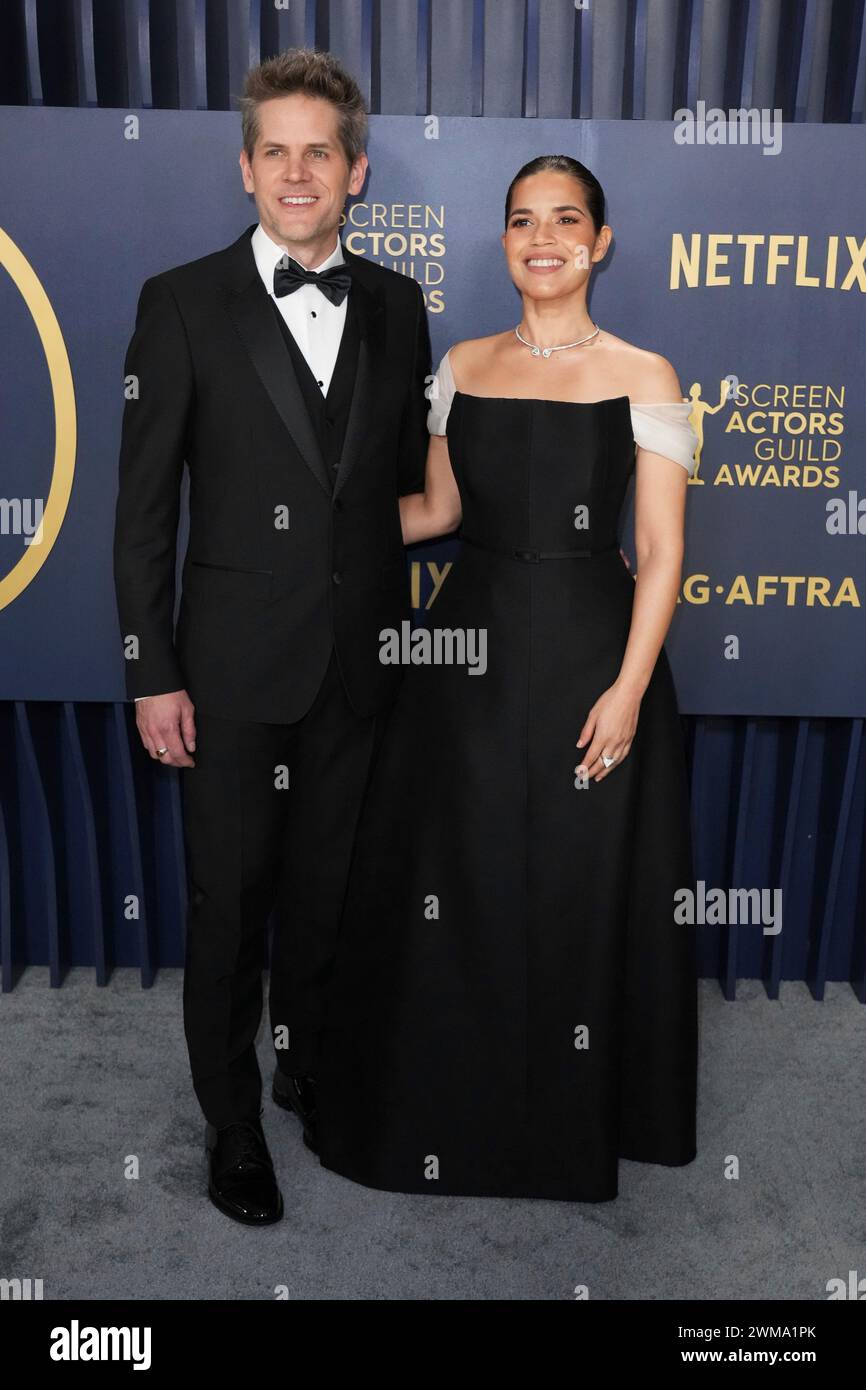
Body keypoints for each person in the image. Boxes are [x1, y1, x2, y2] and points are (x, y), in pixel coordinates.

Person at [315, 155, 700, 1202]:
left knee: (575, 888)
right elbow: (435, 513)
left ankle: (571, 1119)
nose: (542, 237)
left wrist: (625, 690)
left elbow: (659, 554)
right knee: (462, 883)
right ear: (502, 241)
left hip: (591, 649)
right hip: (464, 660)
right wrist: (314, 525)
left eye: (564, 218)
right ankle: (453, 1111)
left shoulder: (645, 374)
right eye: (522, 220)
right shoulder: (463, 362)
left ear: (598, 240)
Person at [113, 48, 431, 1224]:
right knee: (229, 903)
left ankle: (303, 1066)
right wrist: (154, 671)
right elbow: (143, 512)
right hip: (231, 673)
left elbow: (396, 490)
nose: (299, 173)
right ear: (245, 168)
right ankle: (231, 1120)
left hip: (358, 663)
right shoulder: (180, 301)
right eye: (276, 151)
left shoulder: (398, 304)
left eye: (322, 153)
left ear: (355, 173)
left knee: (329, 890)